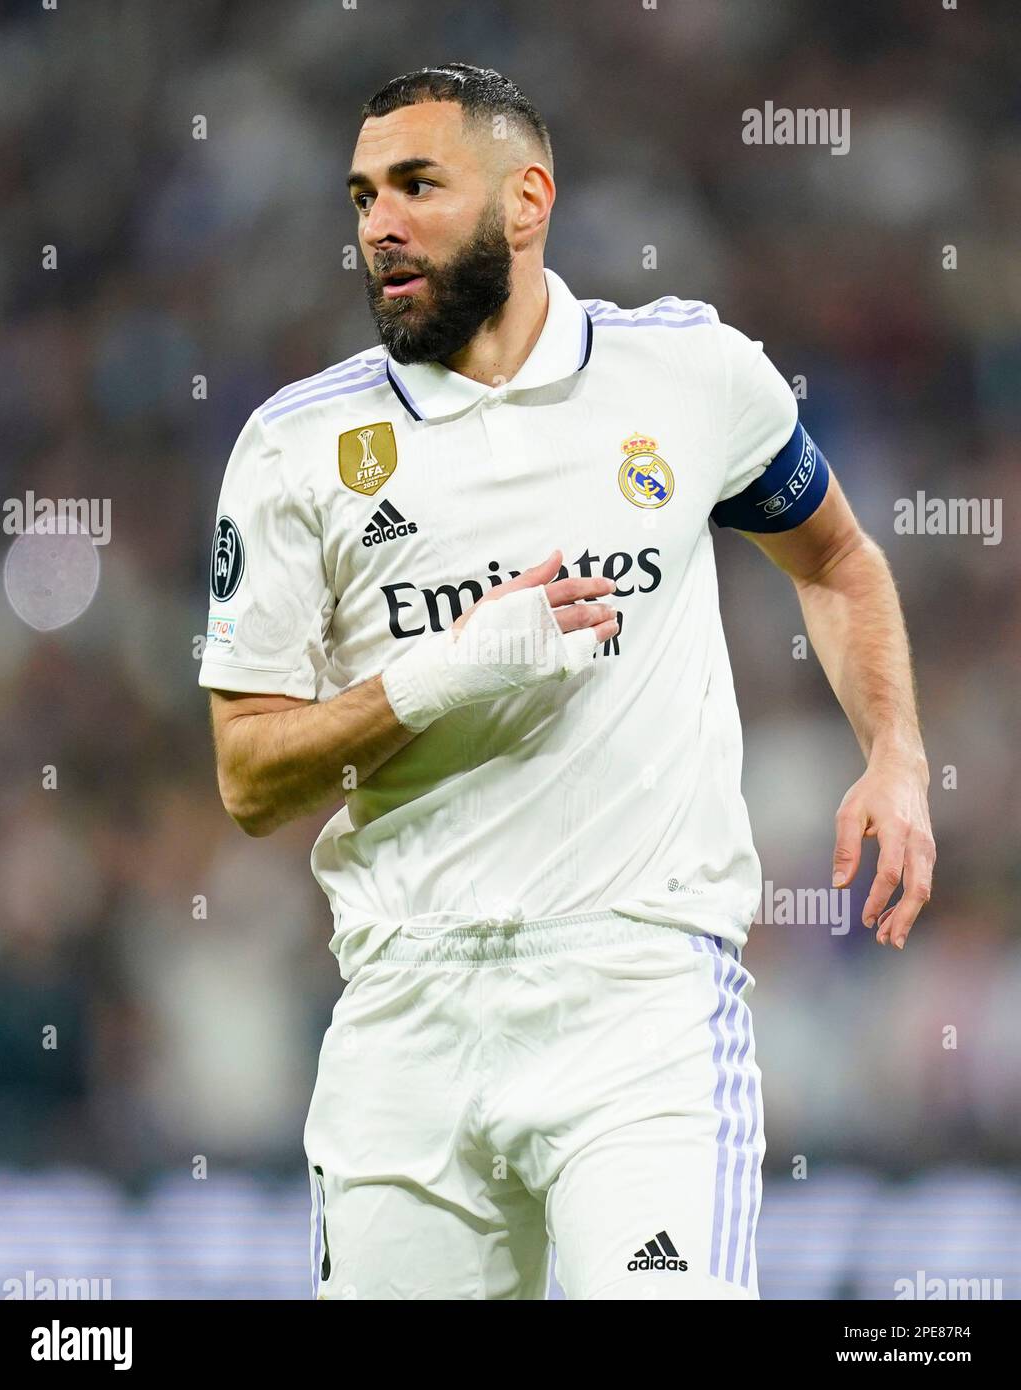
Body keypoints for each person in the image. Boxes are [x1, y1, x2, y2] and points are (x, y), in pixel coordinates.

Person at [199, 63, 935, 1300]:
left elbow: (838, 560)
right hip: (403, 1009)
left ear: (526, 198)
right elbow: (249, 781)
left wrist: (896, 751)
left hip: (635, 997)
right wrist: (436, 679)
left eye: (417, 186)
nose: (377, 224)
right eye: (361, 195)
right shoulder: (294, 448)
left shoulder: (690, 376)